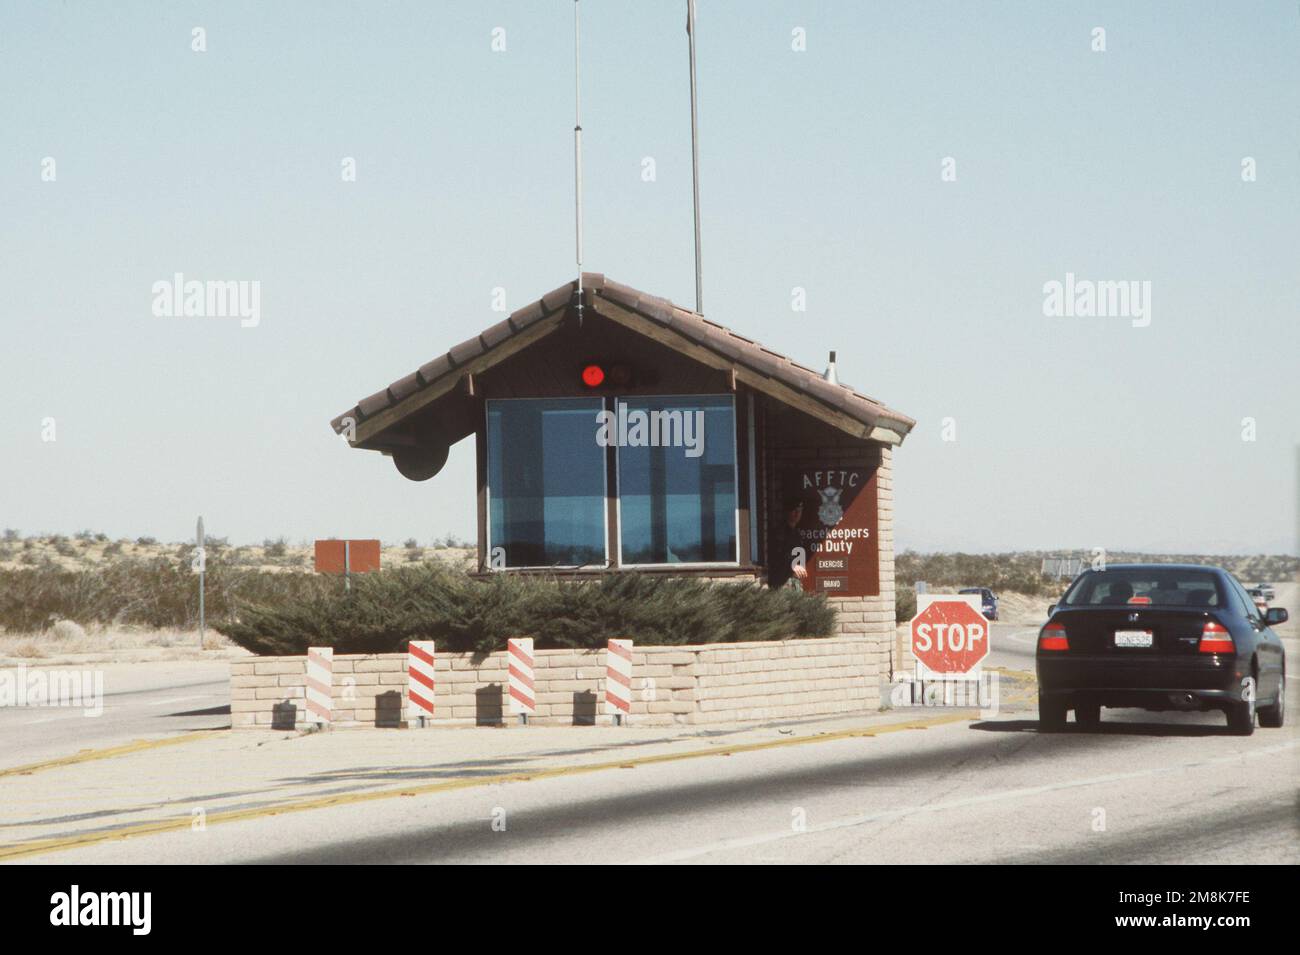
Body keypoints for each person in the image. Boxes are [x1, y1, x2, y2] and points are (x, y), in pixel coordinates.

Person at [769, 495, 810, 590]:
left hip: (795, 581)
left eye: (800, 510)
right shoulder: (779, 533)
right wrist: (792, 565)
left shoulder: (796, 533)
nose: (797, 513)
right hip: (782, 582)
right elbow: (777, 556)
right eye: (794, 510)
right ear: (787, 512)